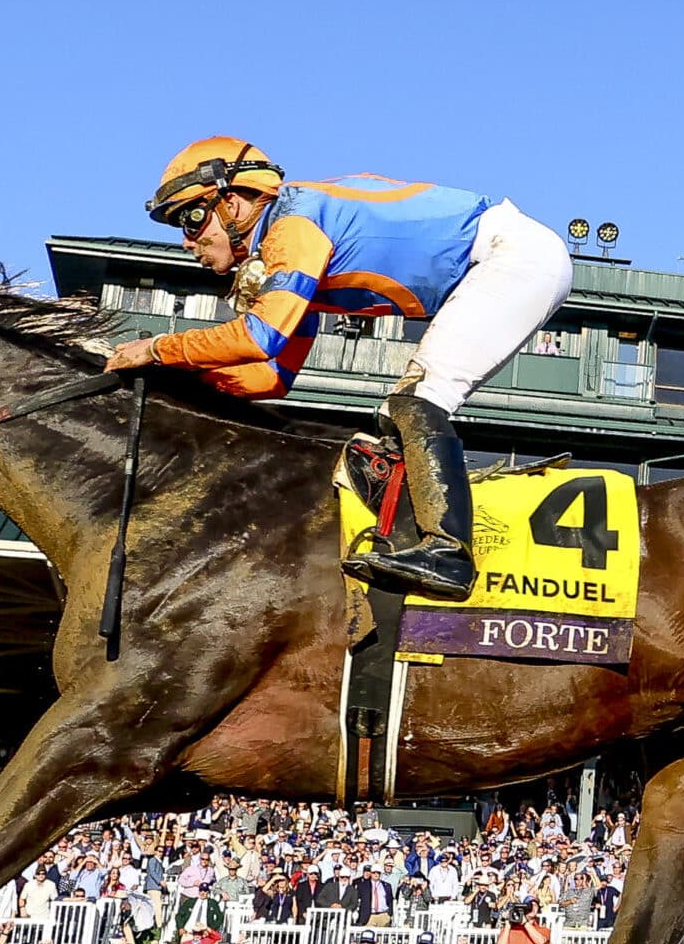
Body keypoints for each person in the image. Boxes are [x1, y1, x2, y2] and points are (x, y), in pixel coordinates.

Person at [107, 137, 573, 600]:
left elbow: (258, 337)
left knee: (416, 403)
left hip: (512, 257)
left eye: (190, 220)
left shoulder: (293, 226)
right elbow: (272, 376)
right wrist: (178, 379)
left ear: (232, 204)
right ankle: (415, 544)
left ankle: (449, 554)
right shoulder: (286, 247)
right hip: (501, 259)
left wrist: (158, 350)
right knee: (396, 419)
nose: (187, 241)